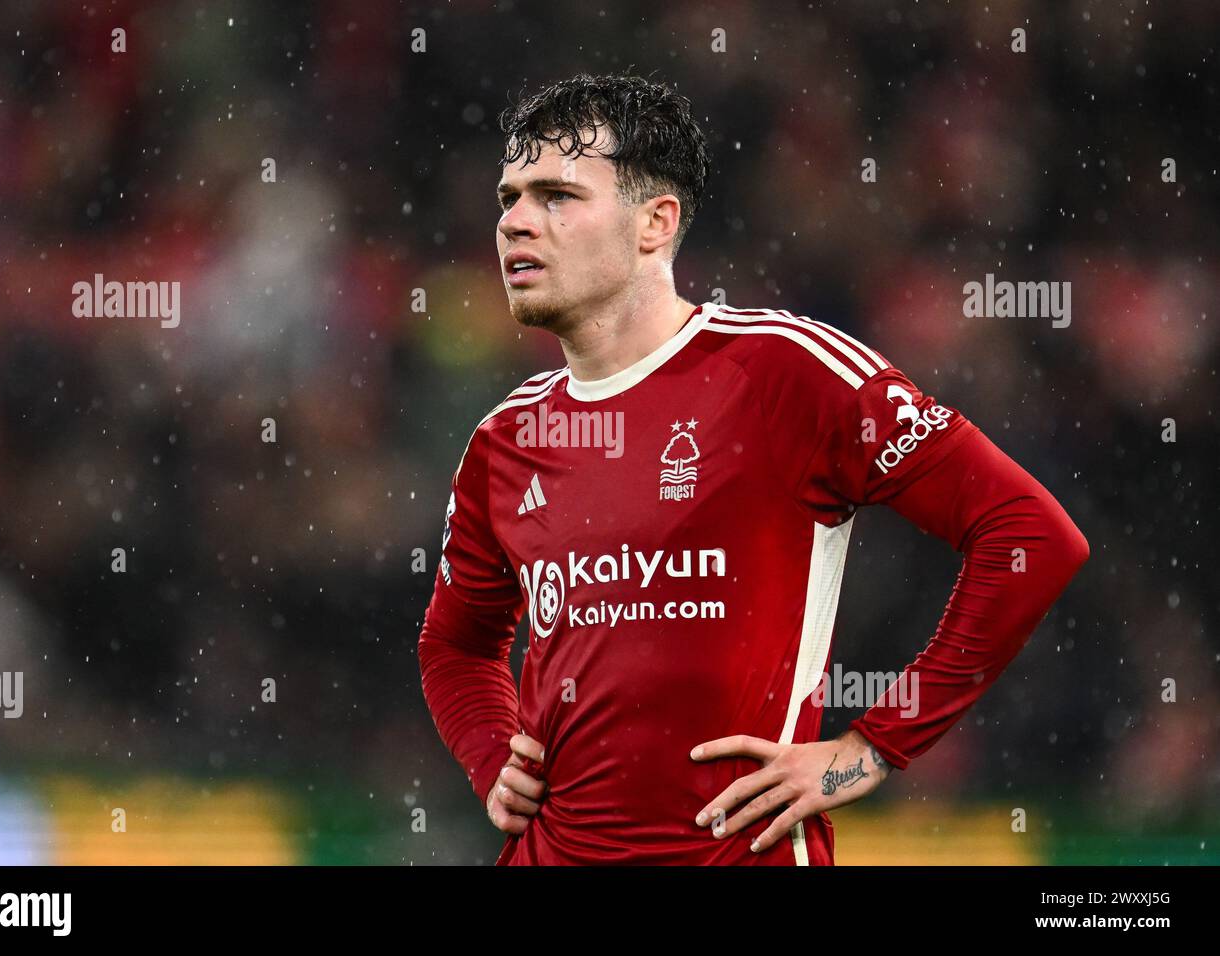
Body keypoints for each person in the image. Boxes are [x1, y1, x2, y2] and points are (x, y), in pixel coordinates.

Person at [417, 73, 1089, 865]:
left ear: (654, 223)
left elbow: (1031, 535)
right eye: (509, 197)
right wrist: (493, 757)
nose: (514, 223)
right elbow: (455, 648)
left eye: (556, 195)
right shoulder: (504, 439)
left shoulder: (782, 372)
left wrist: (873, 747)